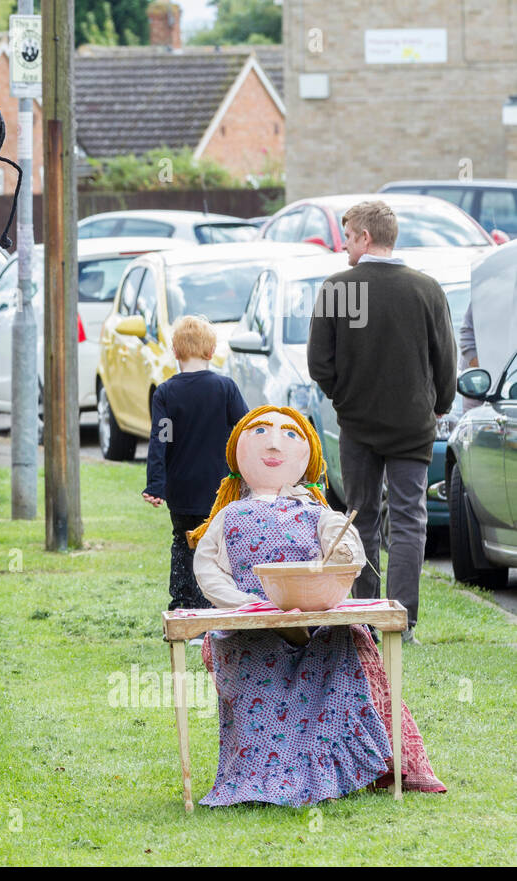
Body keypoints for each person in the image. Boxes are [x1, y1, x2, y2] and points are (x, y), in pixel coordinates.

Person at [189, 405, 445, 806]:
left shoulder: (318, 514)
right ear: (237, 448)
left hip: (319, 624)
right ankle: (261, 775)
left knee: (342, 645)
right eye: (260, 432)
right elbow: (208, 570)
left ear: (308, 453)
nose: (275, 443)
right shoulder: (228, 517)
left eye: (290, 434)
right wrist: (248, 606)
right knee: (251, 656)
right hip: (250, 627)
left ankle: (329, 767)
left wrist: (341, 553)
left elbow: (346, 553)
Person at [307, 200, 457, 645]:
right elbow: (444, 359)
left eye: (348, 236)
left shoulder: (338, 288)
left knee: (360, 518)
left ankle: (364, 616)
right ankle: (402, 622)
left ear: (366, 238)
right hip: (414, 424)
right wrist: (439, 404)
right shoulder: (426, 289)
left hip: (357, 425)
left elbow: (320, 364)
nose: (344, 246)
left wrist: (344, 399)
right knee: (410, 519)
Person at [142, 315, 248, 610]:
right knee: (218, 546)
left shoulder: (166, 393)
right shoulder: (225, 389)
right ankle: (217, 604)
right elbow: (245, 431)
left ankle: (183, 604)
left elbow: (159, 439)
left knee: (183, 542)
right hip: (220, 487)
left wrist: (156, 485)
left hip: (182, 488)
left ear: (175, 352)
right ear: (211, 352)